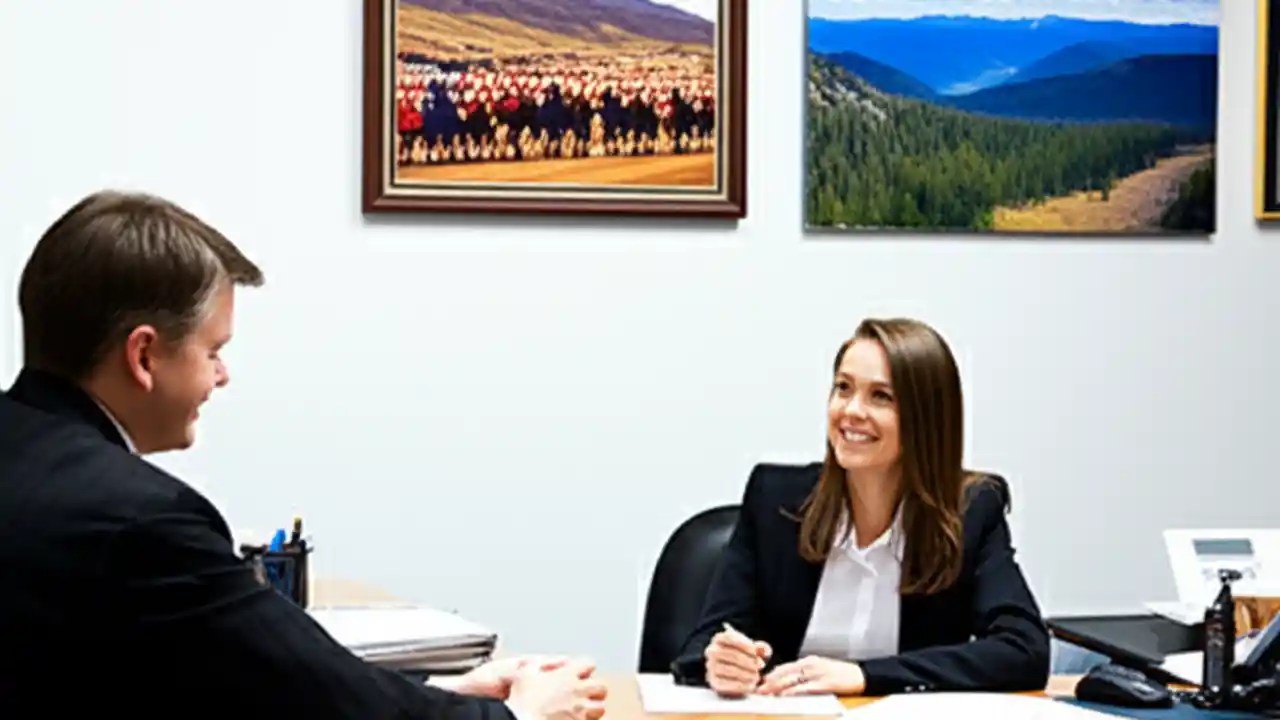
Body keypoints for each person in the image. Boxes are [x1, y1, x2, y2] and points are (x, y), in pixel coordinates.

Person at [0, 190, 609, 719]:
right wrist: (518, 715)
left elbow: (276, 683)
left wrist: (445, 691)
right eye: (213, 350)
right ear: (144, 357)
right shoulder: (141, 521)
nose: (223, 375)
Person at [672, 318, 1051, 697]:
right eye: (843, 388)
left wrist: (864, 676)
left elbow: (1024, 650)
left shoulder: (970, 512)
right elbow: (704, 643)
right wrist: (720, 662)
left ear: (927, 419)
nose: (851, 410)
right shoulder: (775, 499)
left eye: (881, 396)